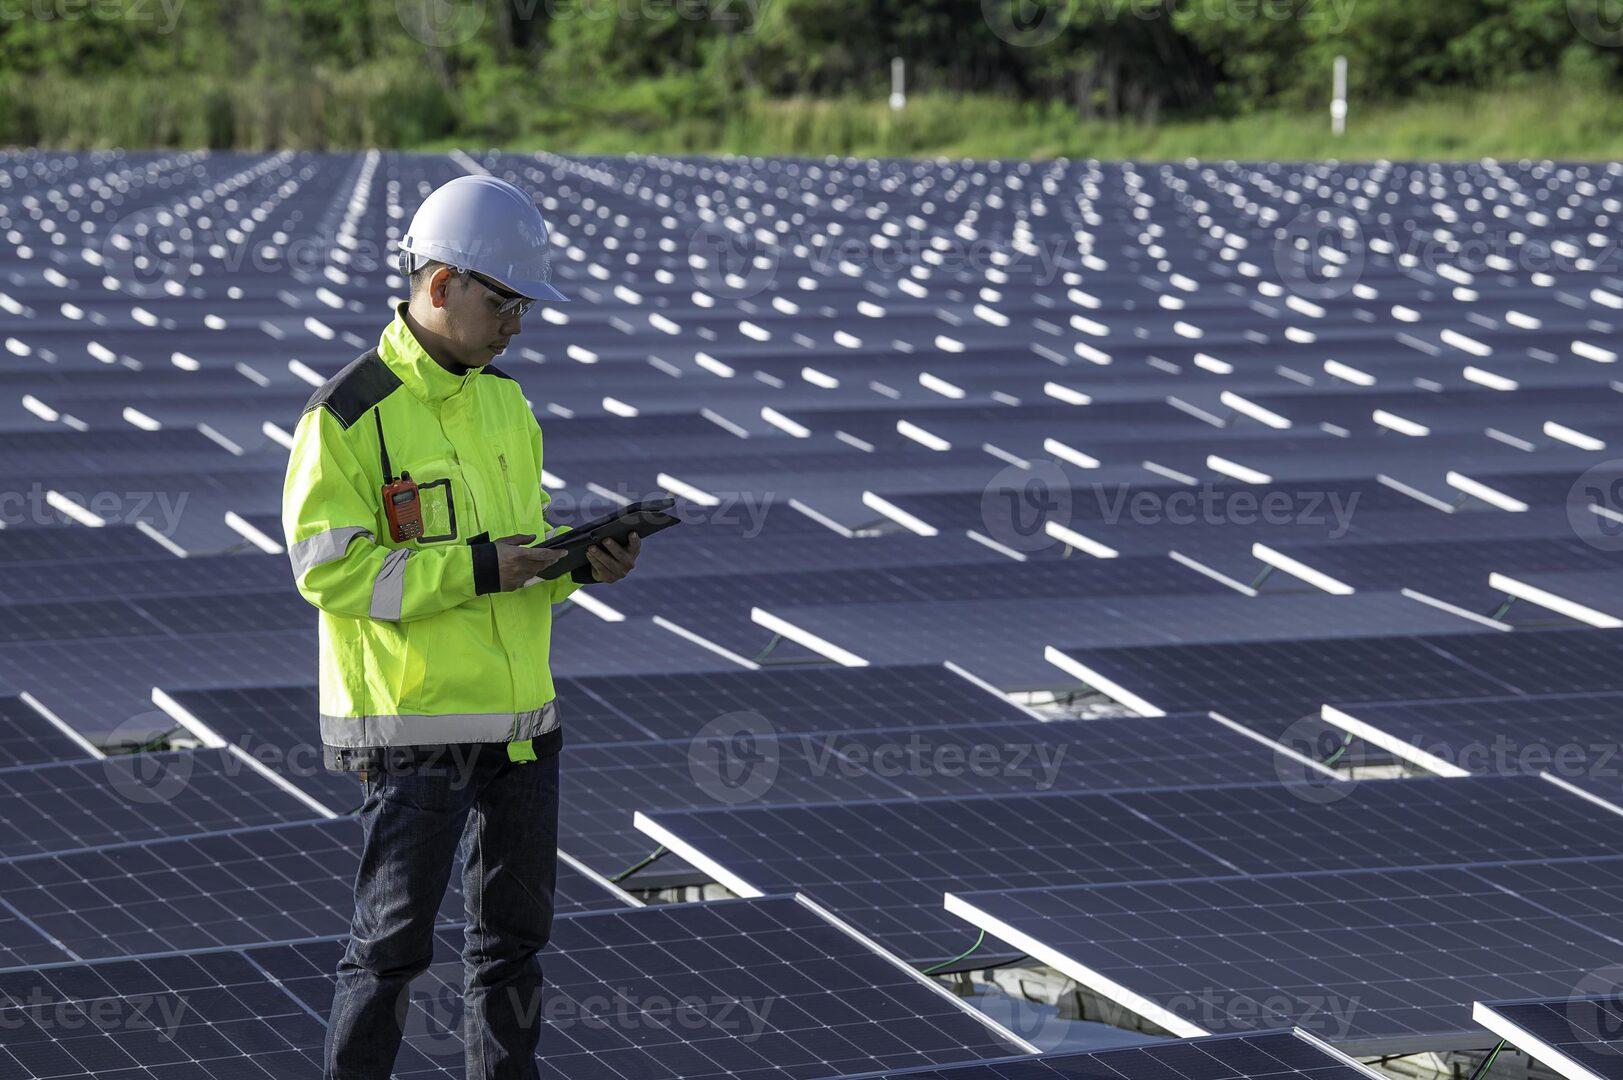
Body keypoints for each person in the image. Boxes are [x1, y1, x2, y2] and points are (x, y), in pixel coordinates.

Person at [280, 174, 639, 1080]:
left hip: (522, 725)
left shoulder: (505, 403)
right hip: (414, 733)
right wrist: (481, 566)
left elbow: (521, 569)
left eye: (523, 303)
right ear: (440, 284)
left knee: (512, 952)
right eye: (504, 299)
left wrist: (578, 568)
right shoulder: (348, 415)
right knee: (389, 953)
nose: (517, 321)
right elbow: (330, 571)